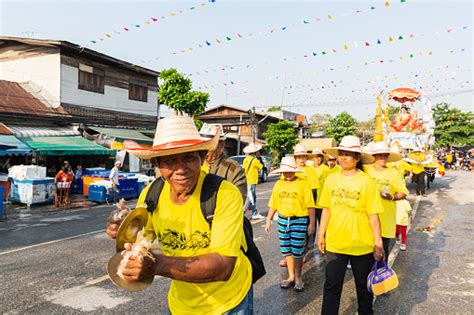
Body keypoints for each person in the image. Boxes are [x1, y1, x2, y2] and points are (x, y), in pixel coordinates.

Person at [107, 116, 253, 314]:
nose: (180, 169)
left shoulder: (224, 194)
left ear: (202, 158)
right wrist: (123, 230)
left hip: (228, 301)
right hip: (181, 303)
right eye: (169, 160)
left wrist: (157, 264)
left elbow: (223, 267)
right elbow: (142, 240)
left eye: (189, 157)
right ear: (157, 164)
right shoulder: (151, 195)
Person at [318, 135, 384, 315]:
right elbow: (326, 209)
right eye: (342, 153)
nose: (344, 157)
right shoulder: (331, 179)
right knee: (332, 286)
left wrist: (378, 242)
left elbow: (373, 215)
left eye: (349, 154)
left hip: (362, 245)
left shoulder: (367, 181)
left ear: (357, 158)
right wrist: (320, 234)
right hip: (335, 243)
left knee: (364, 288)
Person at [265, 156, 315, 292]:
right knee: (286, 249)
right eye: (284, 171)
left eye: (289, 171)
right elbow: (273, 203)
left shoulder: (303, 184)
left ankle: (298, 277)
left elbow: (310, 205)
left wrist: (312, 223)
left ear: (295, 171)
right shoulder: (278, 184)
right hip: (282, 220)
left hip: (299, 220)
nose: (287, 174)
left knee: (297, 250)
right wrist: (268, 219)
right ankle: (291, 276)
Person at [366, 142, 408, 261]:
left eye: (385, 155)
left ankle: (381, 277)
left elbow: (403, 192)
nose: (383, 158)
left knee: (382, 251)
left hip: (385, 217)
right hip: (367, 218)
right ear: (374, 156)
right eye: (380, 155)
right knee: (366, 252)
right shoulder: (366, 171)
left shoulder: (394, 173)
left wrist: (392, 197)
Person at [200, 123, 247, 201]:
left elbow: (238, 200)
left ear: (221, 145)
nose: (204, 148)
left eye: (209, 144)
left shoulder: (234, 169)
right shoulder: (195, 164)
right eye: (202, 143)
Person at [243, 143, 265, 220]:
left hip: (247, 180)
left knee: (252, 197)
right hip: (252, 180)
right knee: (250, 198)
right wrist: (259, 158)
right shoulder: (255, 160)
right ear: (255, 152)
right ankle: (243, 212)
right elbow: (262, 167)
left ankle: (254, 212)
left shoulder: (245, 159)